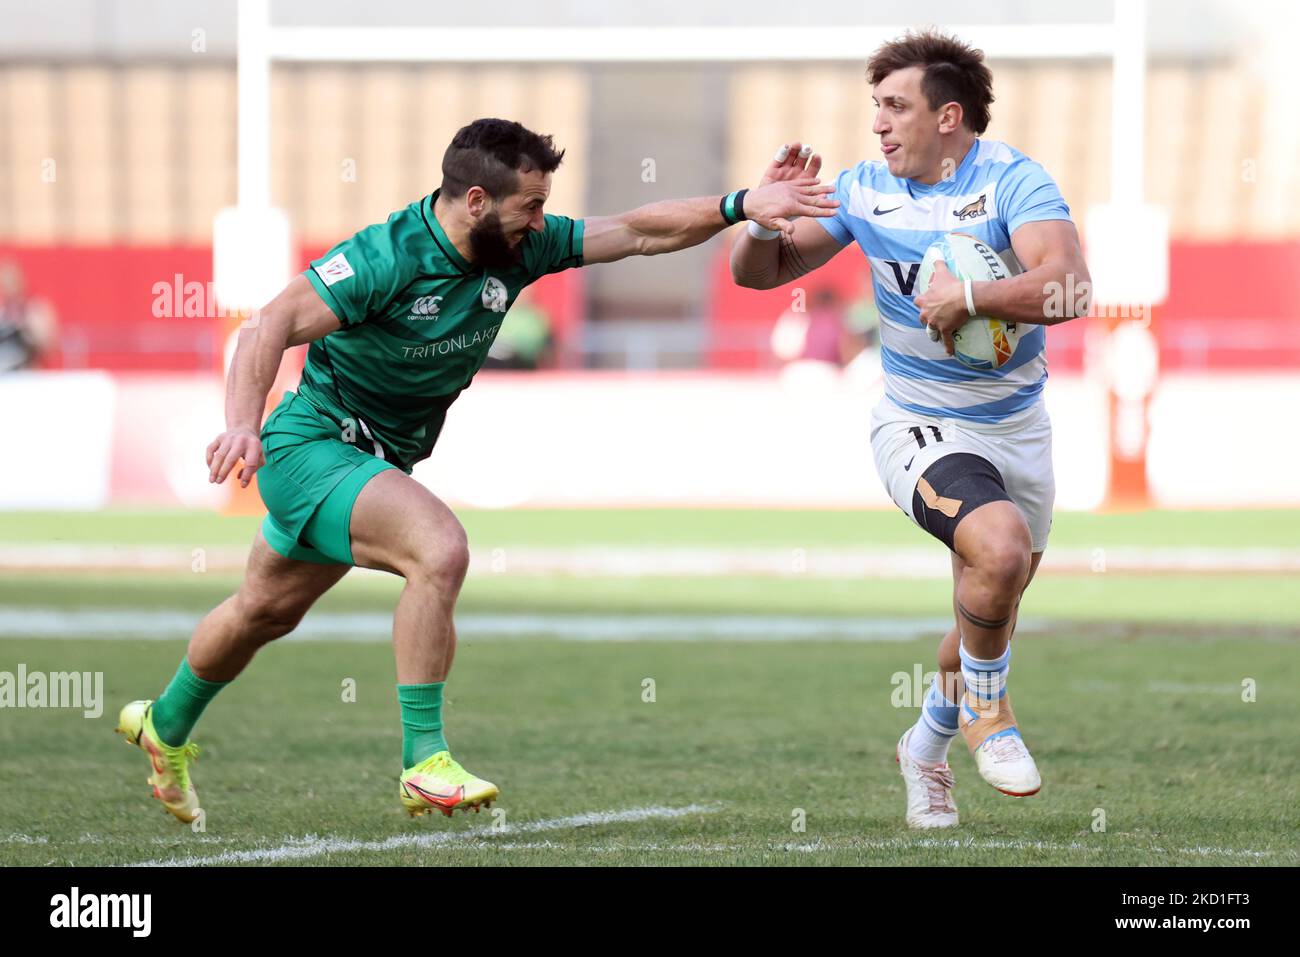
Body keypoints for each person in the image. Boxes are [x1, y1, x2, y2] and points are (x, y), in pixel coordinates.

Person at [115, 117, 836, 822]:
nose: (541, 221)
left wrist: (743, 205)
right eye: (531, 206)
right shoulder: (386, 256)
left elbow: (641, 231)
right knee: (440, 548)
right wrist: (242, 423)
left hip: (375, 458)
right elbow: (267, 324)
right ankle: (424, 763)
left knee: (263, 609)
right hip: (312, 444)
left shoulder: (519, 247)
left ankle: (164, 721)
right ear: (477, 202)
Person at [730, 31, 1091, 829]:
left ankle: (924, 747)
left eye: (896, 107)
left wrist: (973, 296)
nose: (880, 126)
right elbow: (757, 275)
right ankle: (989, 716)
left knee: (985, 600)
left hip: (1017, 427)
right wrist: (761, 219)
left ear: (949, 116)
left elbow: (1071, 290)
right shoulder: (862, 191)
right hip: (918, 421)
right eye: (876, 108)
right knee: (994, 551)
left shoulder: (1012, 182)